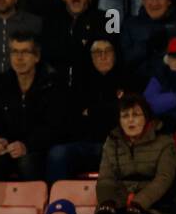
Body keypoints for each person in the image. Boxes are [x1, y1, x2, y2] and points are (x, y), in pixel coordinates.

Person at [46, 38, 138, 184]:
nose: (102, 56)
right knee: (58, 153)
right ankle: (60, 203)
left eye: (107, 51)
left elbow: (130, 114)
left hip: (118, 144)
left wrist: (93, 111)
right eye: (97, 52)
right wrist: (110, 109)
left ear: (115, 54)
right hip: (85, 143)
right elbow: (72, 116)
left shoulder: (129, 80)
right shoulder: (79, 83)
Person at [0, 31, 65, 182]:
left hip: (40, 149)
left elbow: (55, 127)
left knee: (27, 163)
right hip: (9, 149)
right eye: (15, 52)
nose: (19, 58)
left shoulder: (52, 85)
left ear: (36, 56)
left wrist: (27, 145)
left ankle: (35, 204)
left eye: (25, 52)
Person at [95, 94, 176, 214]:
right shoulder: (112, 140)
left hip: (153, 205)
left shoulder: (164, 141)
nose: (130, 120)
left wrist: (139, 203)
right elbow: (106, 178)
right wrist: (108, 201)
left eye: (136, 115)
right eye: (125, 116)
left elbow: (164, 178)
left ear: (146, 118)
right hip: (119, 203)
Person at [42, 0, 112, 92]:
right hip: (57, 90)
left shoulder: (106, 19)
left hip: (95, 89)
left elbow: (111, 59)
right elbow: (48, 56)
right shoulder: (50, 22)